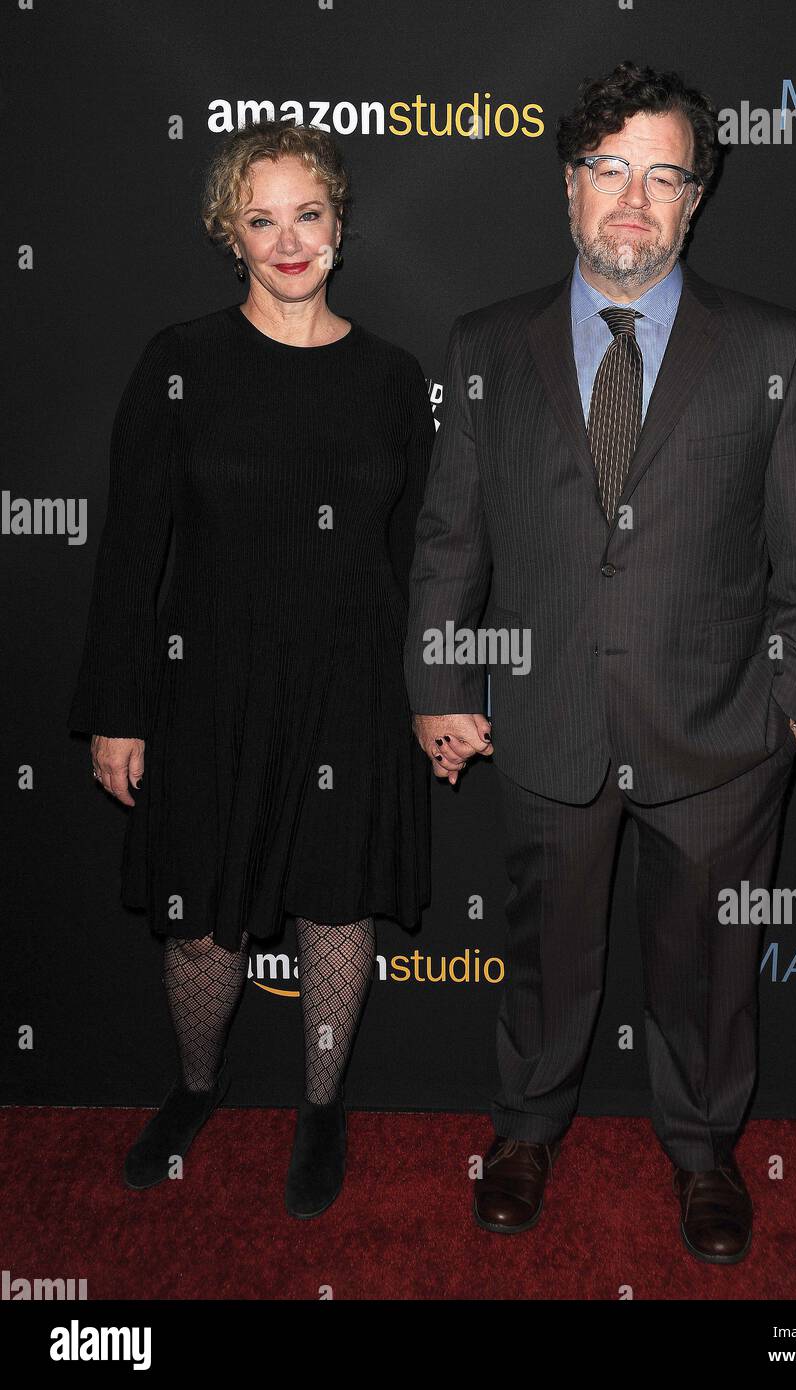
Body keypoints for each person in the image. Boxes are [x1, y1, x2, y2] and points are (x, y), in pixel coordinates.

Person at [404, 62, 796, 1261]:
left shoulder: (773, 345)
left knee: (707, 968)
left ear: (694, 200)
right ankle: (523, 1132)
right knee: (542, 953)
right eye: (609, 170)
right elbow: (450, 541)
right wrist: (443, 685)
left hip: (717, 741)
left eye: (663, 176)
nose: (633, 201)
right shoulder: (485, 344)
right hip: (543, 724)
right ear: (567, 188)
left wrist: (785, 724)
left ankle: (703, 1151)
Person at [67, 119, 434, 1218]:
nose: (287, 240)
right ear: (229, 233)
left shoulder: (390, 375)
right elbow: (131, 549)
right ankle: (194, 1086)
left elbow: (420, 559)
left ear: (338, 225)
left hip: (350, 687)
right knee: (199, 925)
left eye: (306, 215)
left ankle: (321, 1108)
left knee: (336, 910)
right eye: (260, 219)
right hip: (208, 685)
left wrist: (439, 696)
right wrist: (115, 711)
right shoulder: (179, 362)